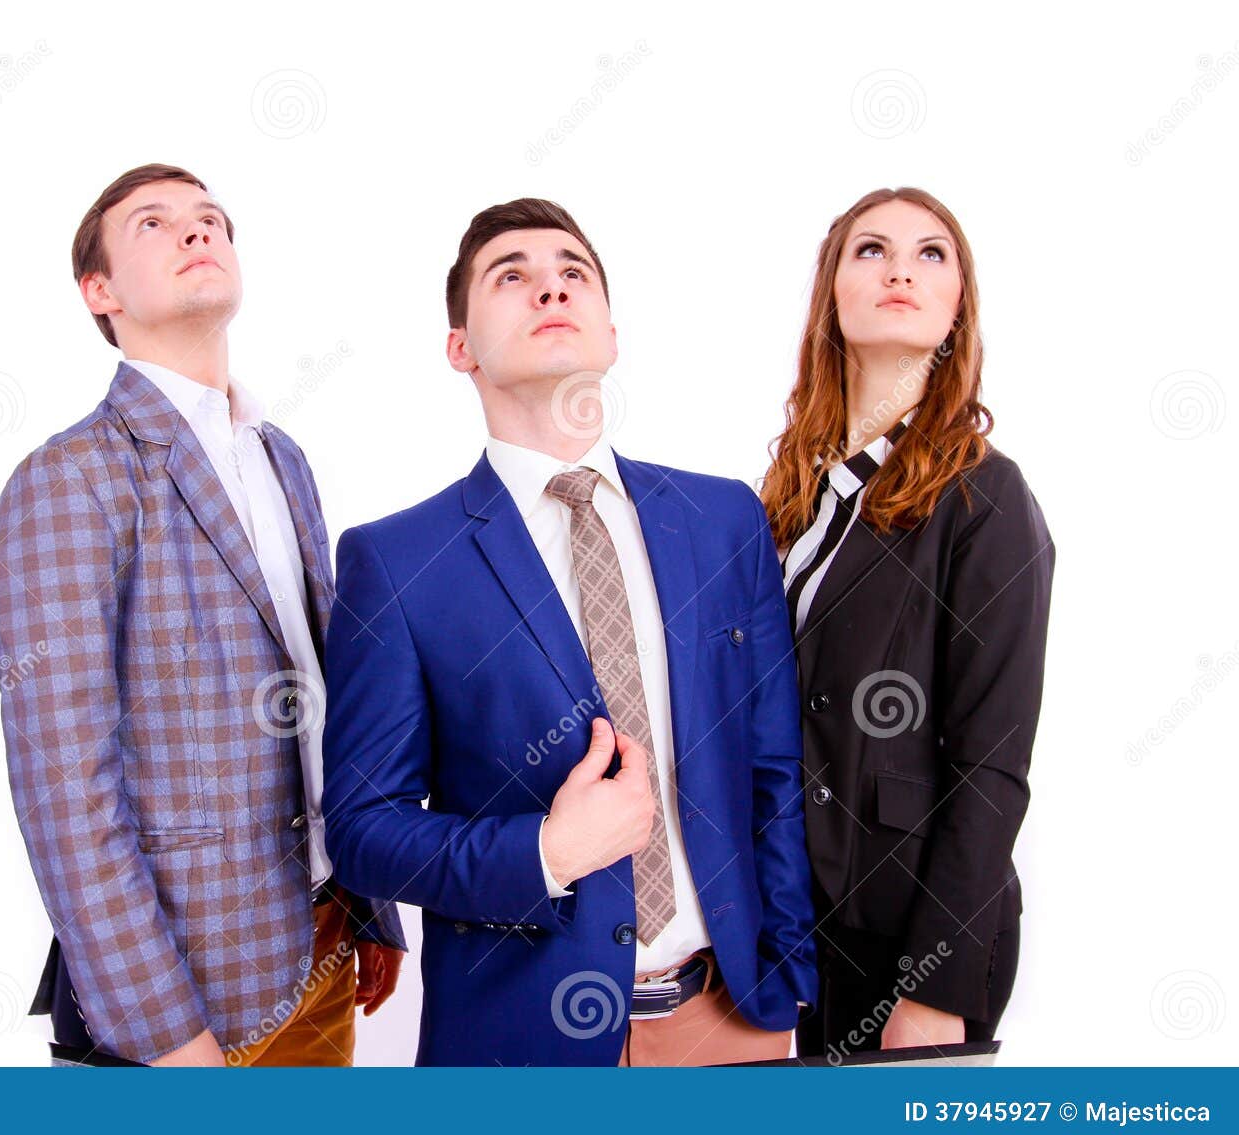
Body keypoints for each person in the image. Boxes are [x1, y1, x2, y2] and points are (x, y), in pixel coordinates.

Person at [322, 198, 816, 1066]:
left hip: (731, 1021)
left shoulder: (722, 520)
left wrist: (788, 976)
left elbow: (771, 770)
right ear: (460, 348)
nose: (549, 286)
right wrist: (547, 852)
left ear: (611, 334)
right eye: (511, 276)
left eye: (572, 272)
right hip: (522, 1041)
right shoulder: (396, 563)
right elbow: (365, 831)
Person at [0, 163, 404, 1067]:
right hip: (185, 1001)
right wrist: (167, 1036)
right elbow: (64, 795)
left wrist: (369, 904)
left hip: (321, 947)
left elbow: (322, 699)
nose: (197, 231)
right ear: (100, 292)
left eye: (212, 220)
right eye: (155, 225)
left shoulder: (283, 458)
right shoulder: (68, 480)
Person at [760, 187, 1055, 1060]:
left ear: (958, 306)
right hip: (795, 924)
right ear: (832, 297)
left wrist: (933, 982)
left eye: (932, 254)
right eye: (871, 250)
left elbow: (992, 765)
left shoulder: (986, 496)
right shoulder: (795, 501)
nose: (899, 269)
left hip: (909, 934)